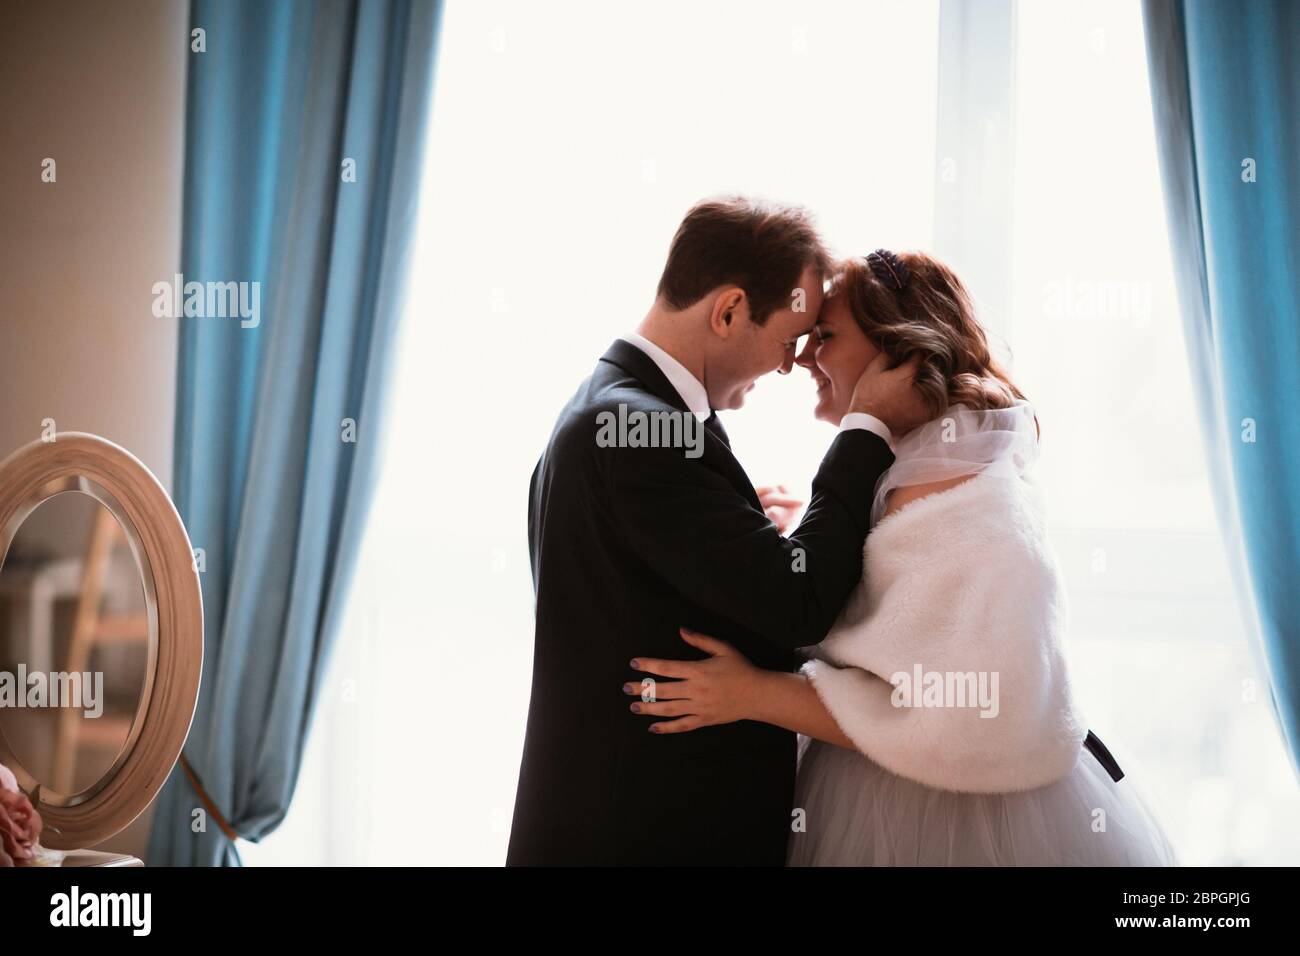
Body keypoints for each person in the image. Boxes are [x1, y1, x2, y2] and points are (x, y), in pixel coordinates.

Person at [623, 249, 1179, 866]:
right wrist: (785, 542)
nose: (804, 357)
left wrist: (751, 693)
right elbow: (898, 613)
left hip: (943, 816)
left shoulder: (948, 486)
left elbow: (954, 708)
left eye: (826, 336)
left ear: (900, 352)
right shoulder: (927, 464)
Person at [506, 199, 929, 865]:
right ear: (730, 310)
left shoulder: (616, 405)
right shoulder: (642, 433)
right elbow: (800, 602)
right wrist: (867, 428)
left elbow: (644, 570)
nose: (792, 365)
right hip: (644, 838)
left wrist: (738, 526)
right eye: (789, 340)